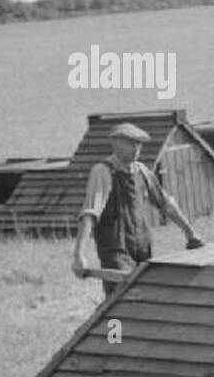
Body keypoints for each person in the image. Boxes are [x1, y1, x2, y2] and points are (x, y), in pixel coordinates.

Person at [72, 122, 204, 290]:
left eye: (138, 143)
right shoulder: (103, 172)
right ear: (115, 143)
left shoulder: (141, 171)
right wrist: (79, 256)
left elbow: (167, 204)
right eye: (130, 143)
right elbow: (89, 215)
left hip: (143, 249)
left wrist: (191, 234)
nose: (136, 148)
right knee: (120, 301)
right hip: (116, 252)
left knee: (144, 297)